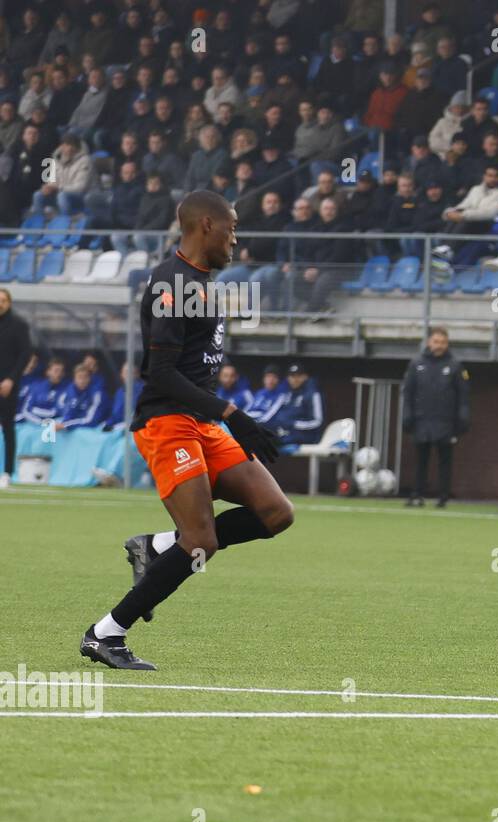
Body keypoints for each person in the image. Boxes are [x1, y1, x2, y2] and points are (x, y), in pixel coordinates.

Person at [81, 190, 293, 670]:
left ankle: (155, 546)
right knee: (200, 541)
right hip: (167, 423)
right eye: (232, 228)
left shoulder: (202, 283)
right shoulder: (170, 284)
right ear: (205, 225)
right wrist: (233, 414)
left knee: (275, 514)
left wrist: (220, 416)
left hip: (202, 423)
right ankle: (105, 633)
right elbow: (161, 374)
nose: (236, 240)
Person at [401, 327, 470, 507]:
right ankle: (417, 494)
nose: (439, 346)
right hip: (421, 420)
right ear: (429, 342)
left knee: (445, 461)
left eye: (443, 342)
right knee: (420, 460)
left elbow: (463, 395)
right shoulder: (417, 364)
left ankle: (443, 496)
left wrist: (463, 417)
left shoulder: (455, 366)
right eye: (436, 341)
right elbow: (408, 392)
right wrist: (407, 415)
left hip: (445, 421)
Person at [0, 288, 33, 488]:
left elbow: (25, 353)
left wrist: (11, 379)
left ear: (9, 303)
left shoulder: (19, 325)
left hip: (8, 385)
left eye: (3, 300)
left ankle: (7, 472)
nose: (0, 304)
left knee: (8, 427)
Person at [277, 364, 324, 446]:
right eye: (292, 376)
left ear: (305, 377)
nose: (295, 379)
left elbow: (318, 422)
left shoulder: (313, 394)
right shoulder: (288, 394)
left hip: (307, 437)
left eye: (298, 376)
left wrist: (294, 424)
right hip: (286, 434)